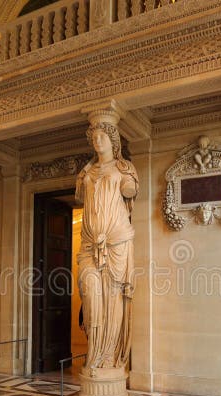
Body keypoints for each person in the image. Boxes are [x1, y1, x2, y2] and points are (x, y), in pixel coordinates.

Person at [76, 122, 139, 371]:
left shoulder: (124, 169)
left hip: (117, 244)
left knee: (113, 302)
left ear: (114, 141)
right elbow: (81, 195)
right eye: (94, 136)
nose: (97, 140)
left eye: (102, 135)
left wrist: (125, 179)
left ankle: (108, 358)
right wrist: (87, 170)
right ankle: (94, 353)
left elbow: (131, 189)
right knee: (90, 293)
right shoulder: (88, 173)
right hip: (90, 245)